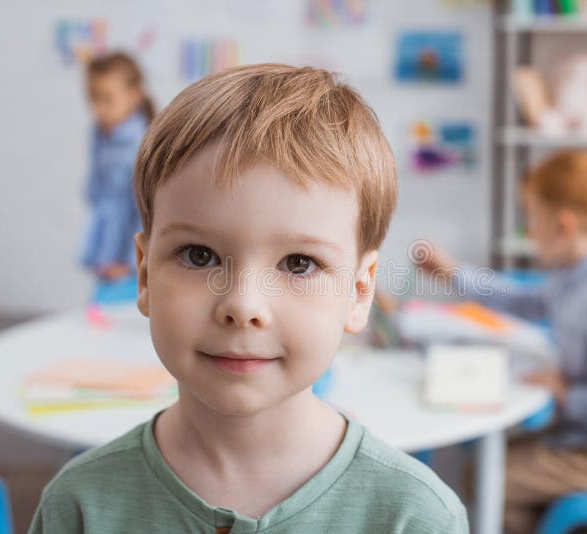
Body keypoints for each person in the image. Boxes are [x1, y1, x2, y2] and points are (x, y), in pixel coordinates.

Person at [30, 64, 468, 533]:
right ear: (145, 275)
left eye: (298, 263)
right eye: (199, 255)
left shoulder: (415, 518)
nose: (242, 305)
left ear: (360, 292)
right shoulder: (78, 507)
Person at [418, 150, 587, 534]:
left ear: (563, 226)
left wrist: (569, 395)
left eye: (532, 218)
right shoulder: (577, 271)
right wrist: (455, 274)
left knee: (490, 480)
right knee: (489, 465)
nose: (529, 232)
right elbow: (525, 300)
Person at [80, 51, 153, 282]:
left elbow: (144, 209)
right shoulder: (101, 136)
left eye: (107, 98)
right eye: (93, 98)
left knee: (127, 295)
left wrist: (132, 260)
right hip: (107, 238)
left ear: (134, 95)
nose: (99, 108)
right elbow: (95, 188)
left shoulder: (139, 142)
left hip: (130, 245)